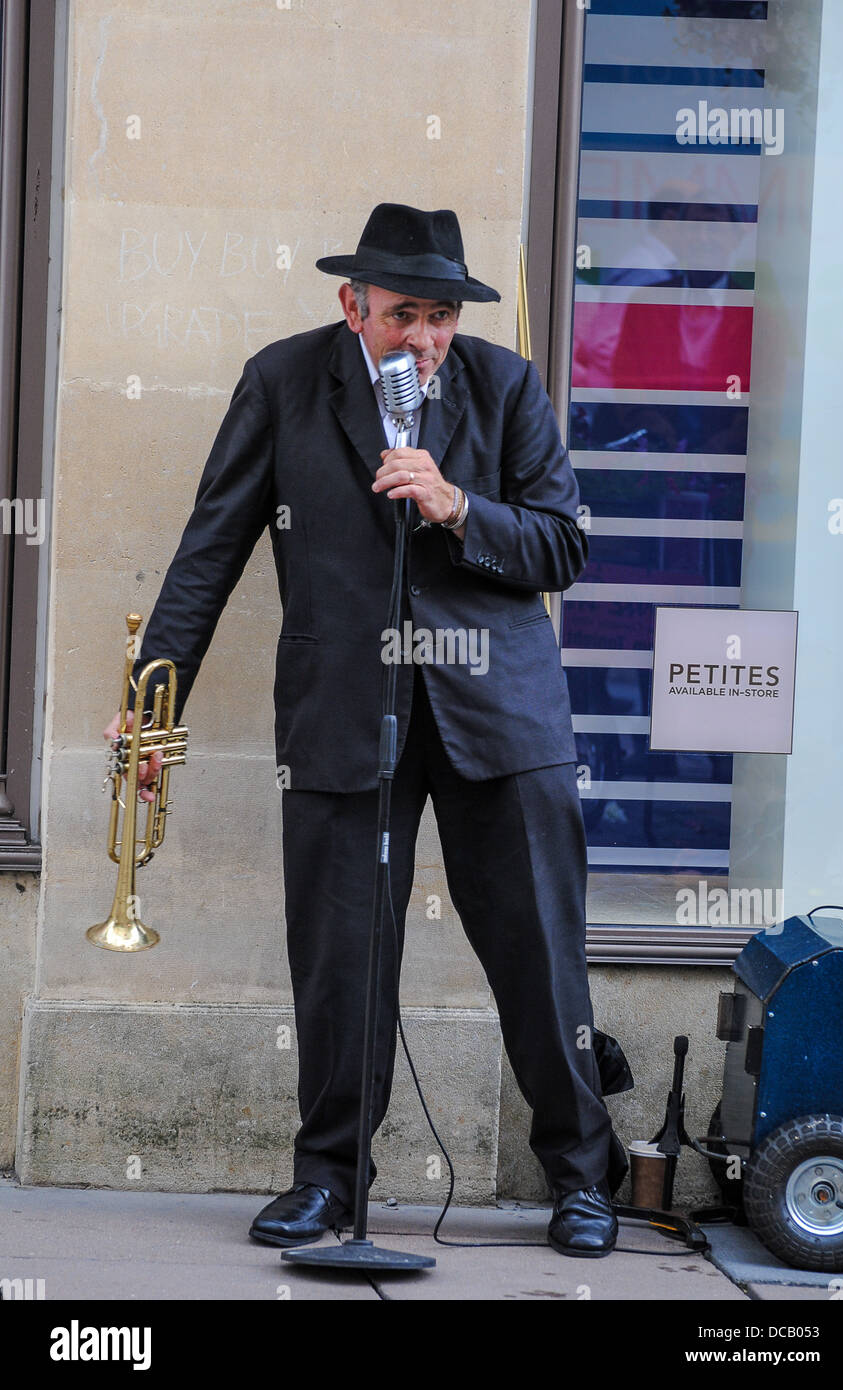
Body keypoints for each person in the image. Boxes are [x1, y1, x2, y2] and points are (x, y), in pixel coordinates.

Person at [105, 203, 624, 1258]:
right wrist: (153, 689)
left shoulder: (506, 387)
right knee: (340, 959)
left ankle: (582, 1175)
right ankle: (329, 1182)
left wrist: (457, 507)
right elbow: (211, 545)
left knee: (540, 958)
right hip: (347, 709)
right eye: (402, 316)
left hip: (499, 713)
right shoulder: (285, 381)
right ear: (352, 305)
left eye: (439, 317)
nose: (424, 339)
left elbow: (565, 546)